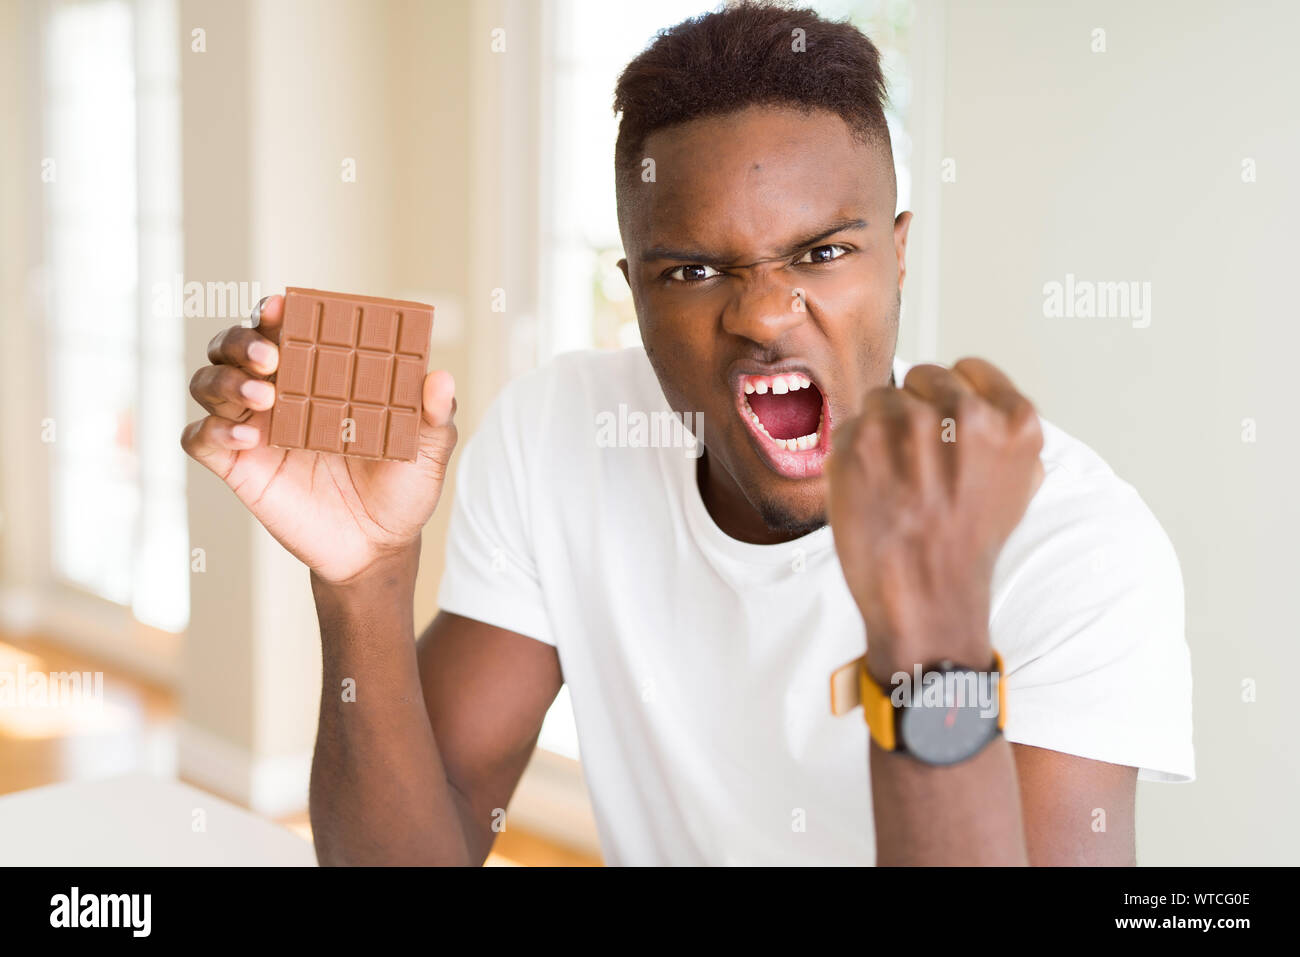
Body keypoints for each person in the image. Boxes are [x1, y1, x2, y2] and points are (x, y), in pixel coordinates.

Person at [182, 1, 1193, 865]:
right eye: (694, 271)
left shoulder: (1072, 544)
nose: (760, 314)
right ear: (634, 294)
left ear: (896, 256)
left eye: (822, 251)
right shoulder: (558, 435)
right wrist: (362, 581)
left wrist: (927, 642)